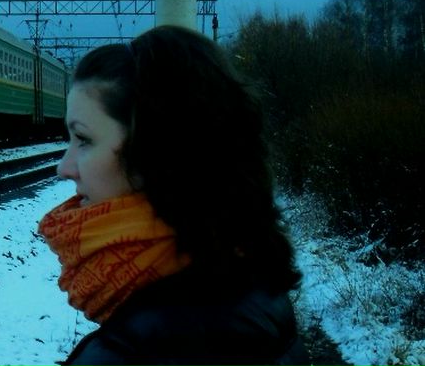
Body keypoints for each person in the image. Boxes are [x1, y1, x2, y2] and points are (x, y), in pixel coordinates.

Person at [38, 25, 309, 365]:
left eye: (84, 139)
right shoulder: (249, 287)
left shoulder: (145, 348)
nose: (64, 167)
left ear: (157, 154)